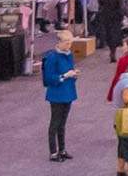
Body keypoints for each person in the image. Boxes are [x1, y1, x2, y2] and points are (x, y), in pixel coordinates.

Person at [42, 29, 79, 162]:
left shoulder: (69, 55)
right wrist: (64, 76)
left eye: (70, 42)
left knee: (62, 123)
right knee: (55, 123)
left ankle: (62, 149)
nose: (69, 45)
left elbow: (70, 71)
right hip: (56, 95)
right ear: (59, 42)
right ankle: (53, 152)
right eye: (67, 42)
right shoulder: (52, 57)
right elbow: (48, 78)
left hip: (68, 93)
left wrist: (74, 74)